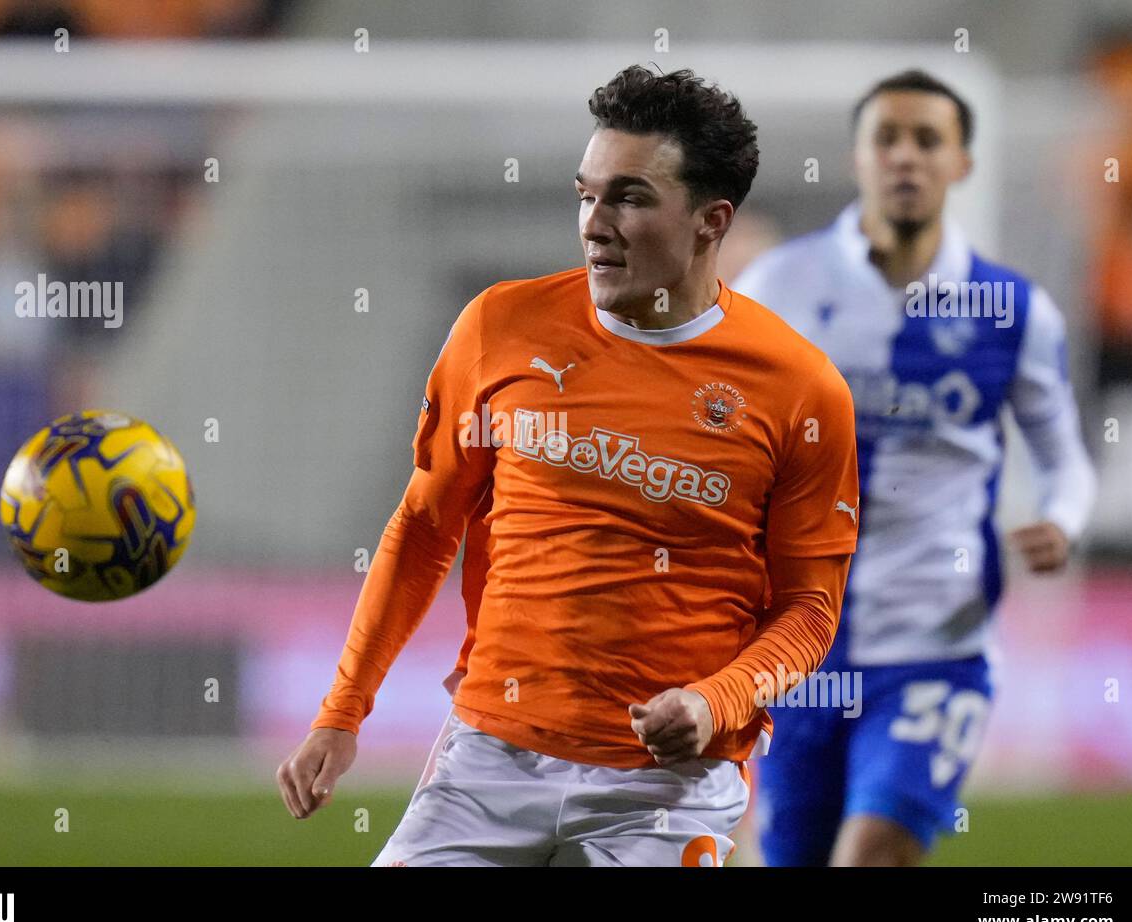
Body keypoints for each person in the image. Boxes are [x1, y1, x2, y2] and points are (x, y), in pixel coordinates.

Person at [277, 64, 861, 866]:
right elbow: (423, 526)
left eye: (628, 197)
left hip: (666, 788)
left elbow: (809, 612)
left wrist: (713, 700)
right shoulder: (499, 326)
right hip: (487, 762)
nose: (594, 222)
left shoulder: (799, 389)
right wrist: (342, 712)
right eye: (585, 194)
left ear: (710, 220)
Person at [730, 69, 1097, 866]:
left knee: (875, 851)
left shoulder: (1013, 309)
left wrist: (1061, 521)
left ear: (962, 163)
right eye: (885, 139)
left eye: (927, 140)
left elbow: (1063, 455)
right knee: (792, 853)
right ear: (858, 158)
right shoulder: (778, 287)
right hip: (799, 645)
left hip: (938, 637)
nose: (905, 157)